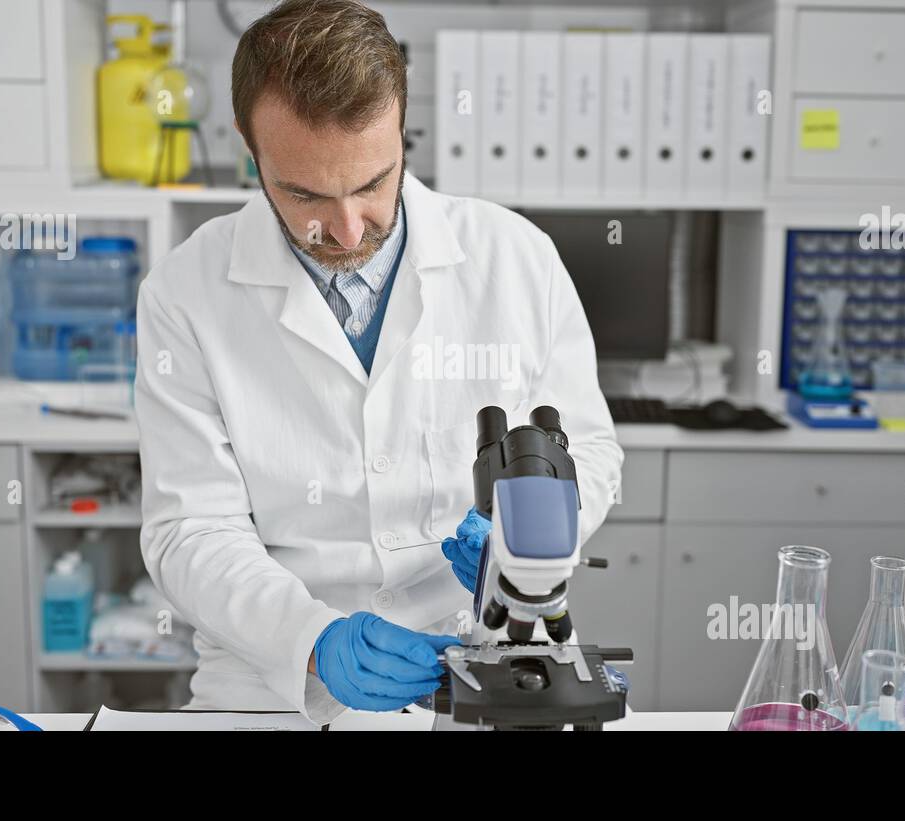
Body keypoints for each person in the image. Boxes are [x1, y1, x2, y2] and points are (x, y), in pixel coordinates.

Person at [135, 0, 622, 725]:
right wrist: (310, 637)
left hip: (496, 659)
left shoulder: (515, 258)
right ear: (248, 144)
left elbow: (591, 448)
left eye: (371, 183)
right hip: (277, 690)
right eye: (304, 193)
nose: (346, 227)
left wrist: (532, 534)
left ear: (401, 131)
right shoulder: (185, 293)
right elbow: (190, 528)